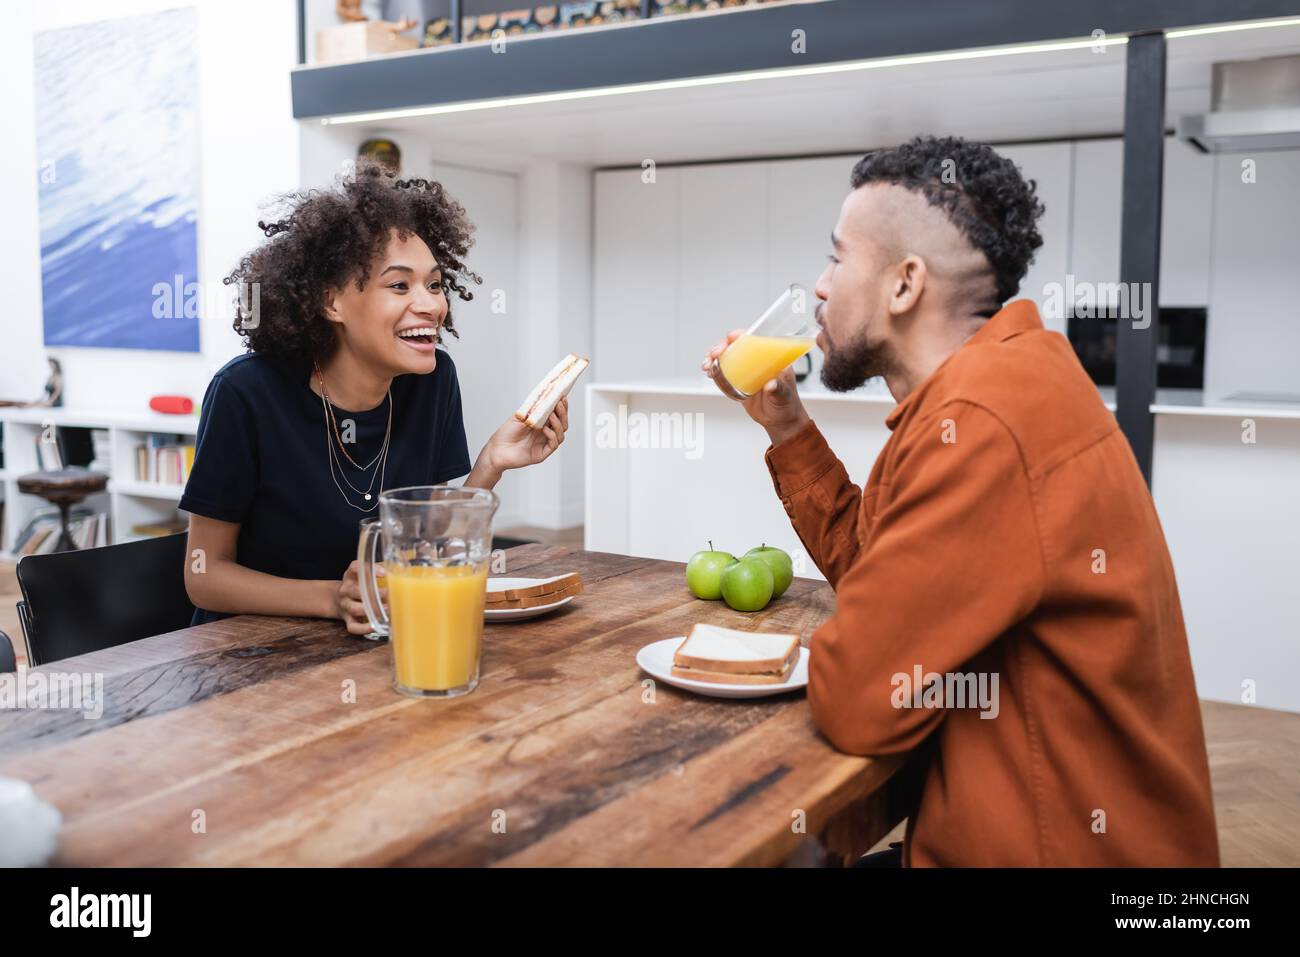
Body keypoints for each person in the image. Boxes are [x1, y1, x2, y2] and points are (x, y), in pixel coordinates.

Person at [703, 135, 1219, 867]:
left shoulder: (981, 422)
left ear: (905, 285)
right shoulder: (984, 393)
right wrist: (786, 425)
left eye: (837, 256)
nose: (819, 286)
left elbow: (855, 697)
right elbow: (878, 571)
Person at [181, 160, 567, 633]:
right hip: (247, 657)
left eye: (435, 284)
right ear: (331, 302)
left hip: (376, 642)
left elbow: (426, 551)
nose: (430, 305)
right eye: (400, 285)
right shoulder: (246, 393)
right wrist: (337, 598)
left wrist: (490, 464)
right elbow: (204, 577)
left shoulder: (433, 379)